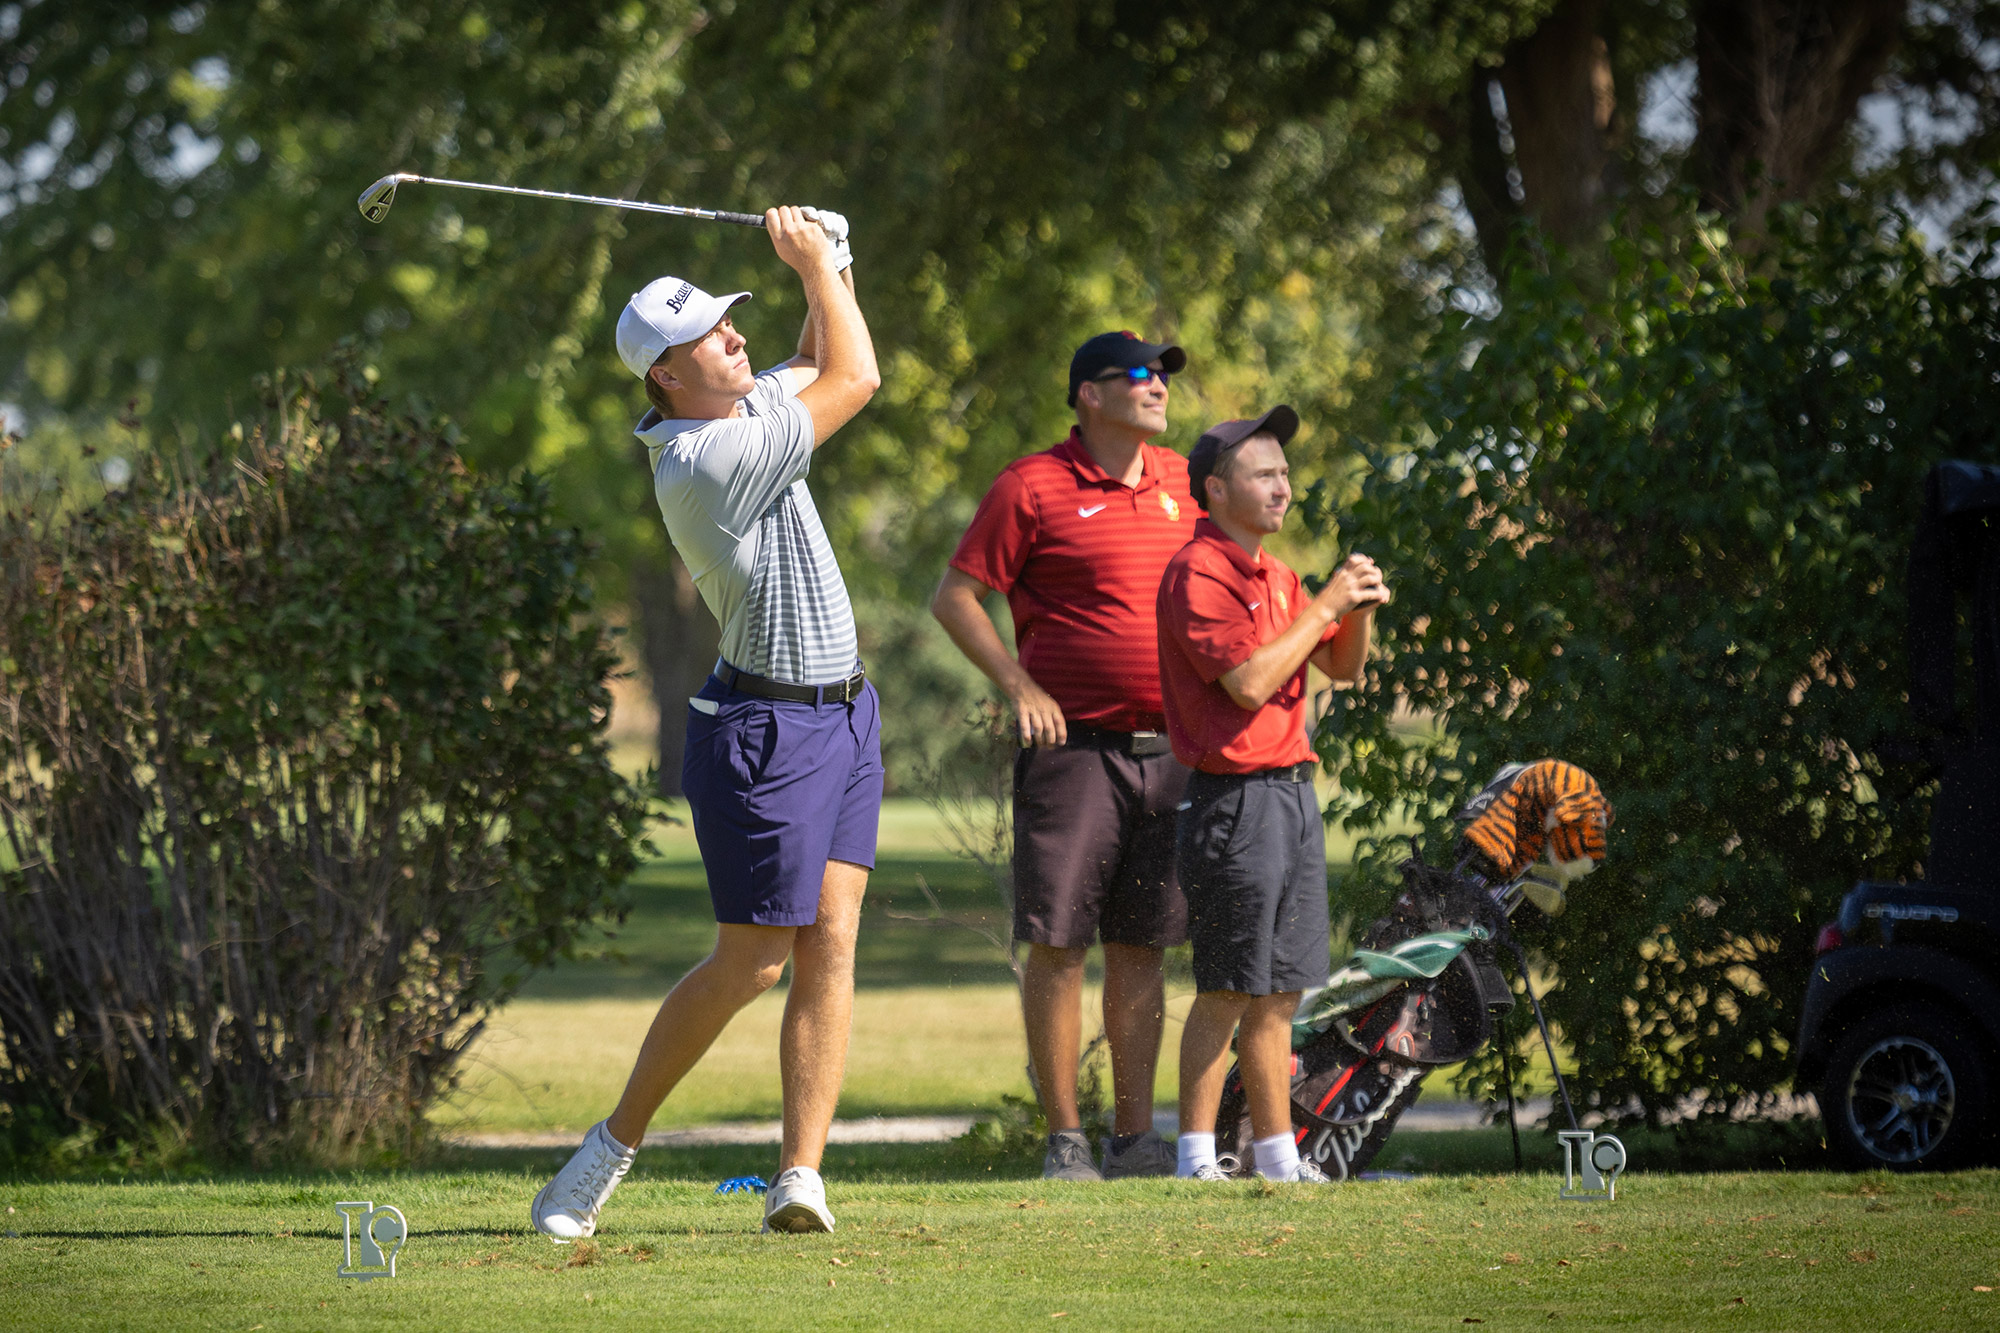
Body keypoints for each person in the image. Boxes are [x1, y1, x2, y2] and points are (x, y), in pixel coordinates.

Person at [531, 205, 881, 1240]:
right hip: (763, 735)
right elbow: (855, 377)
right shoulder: (701, 462)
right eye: (710, 338)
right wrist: (820, 262)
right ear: (666, 379)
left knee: (830, 943)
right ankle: (606, 1150)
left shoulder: (746, 407)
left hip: (844, 714)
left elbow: (822, 346)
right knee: (753, 961)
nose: (737, 336)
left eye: (732, 322)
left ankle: (799, 1176)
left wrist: (838, 260)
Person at [931, 331, 1197, 1180]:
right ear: (1089, 393)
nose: (1157, 386)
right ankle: (1065, 1142)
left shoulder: (1185, 483)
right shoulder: (1033, 485)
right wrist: (1018, 684)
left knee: (1143, 945)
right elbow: (957, 597)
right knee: (1057, 943)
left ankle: (1134, 1137)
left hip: (1172, 753)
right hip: (1074, 753)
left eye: (1162, 376)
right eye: (1138, 375)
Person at [1155, 406, 1389, 1184]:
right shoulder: (1200, 572)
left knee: (1281, 991)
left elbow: (1342, 668)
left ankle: (1276, 1158)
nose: (1283, 486)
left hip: (1291, 797)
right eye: (1265, 473)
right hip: (1234, 802)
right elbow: (1250, 682)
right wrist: (1326, 603)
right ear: (1217, 490)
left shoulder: (1279, 575)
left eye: (1286, 472)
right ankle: (1194, 1158)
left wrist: (1353, 609)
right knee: (1227, 986)